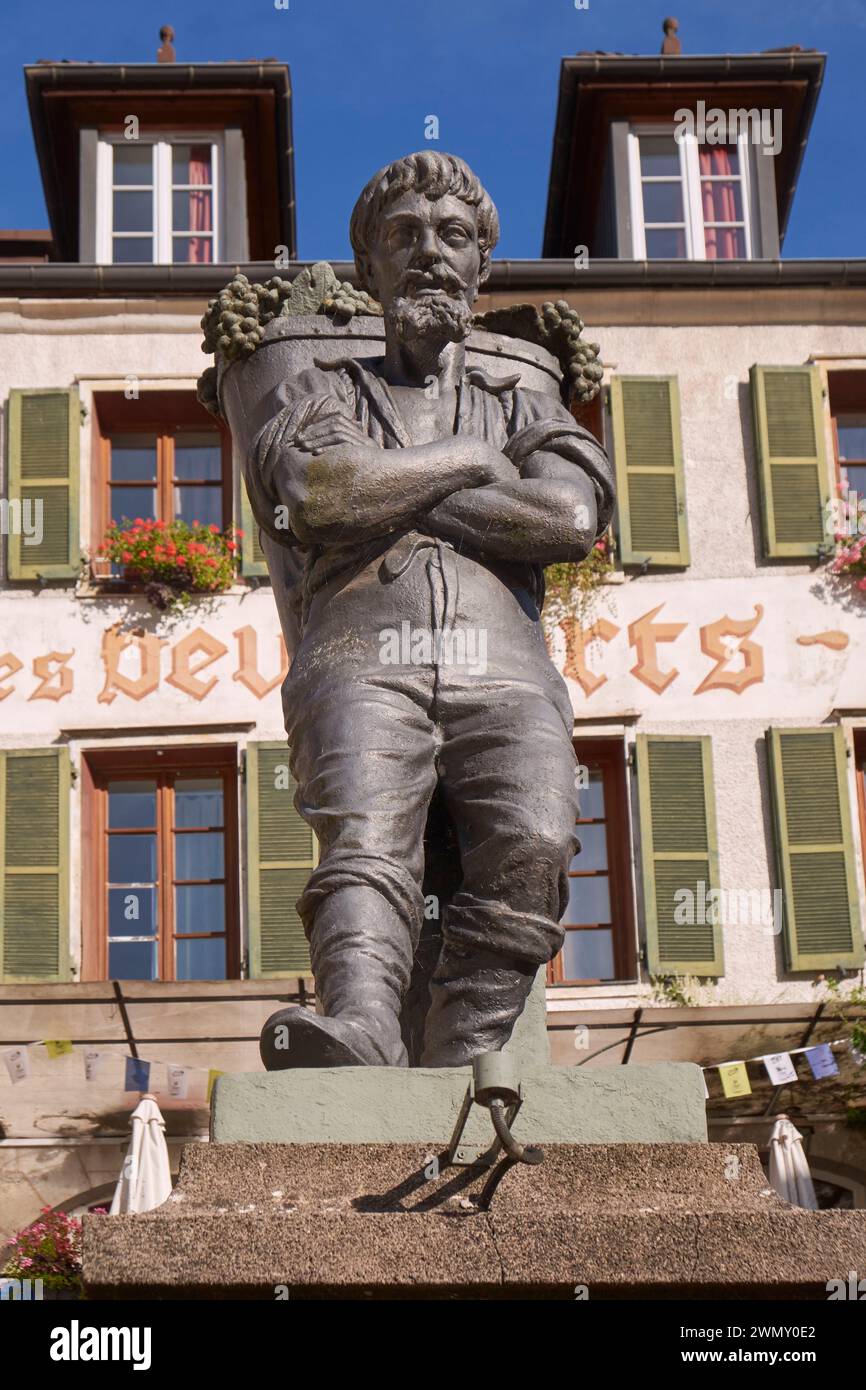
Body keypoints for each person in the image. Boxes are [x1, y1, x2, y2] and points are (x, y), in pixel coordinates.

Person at [246, 151, 614, 1067]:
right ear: (366, 266)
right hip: (358, 655)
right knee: (364, 840)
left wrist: (389, 484)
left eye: (453, 236)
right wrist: (472, 462)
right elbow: (319, 499)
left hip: (506, 667)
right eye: (402, 236)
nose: (429, 254)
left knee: (537, 839)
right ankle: (363, 1025)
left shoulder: (524, 396)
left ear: (481, 266)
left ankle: (469, 1049)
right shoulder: (317, 389)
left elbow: (568, 518)